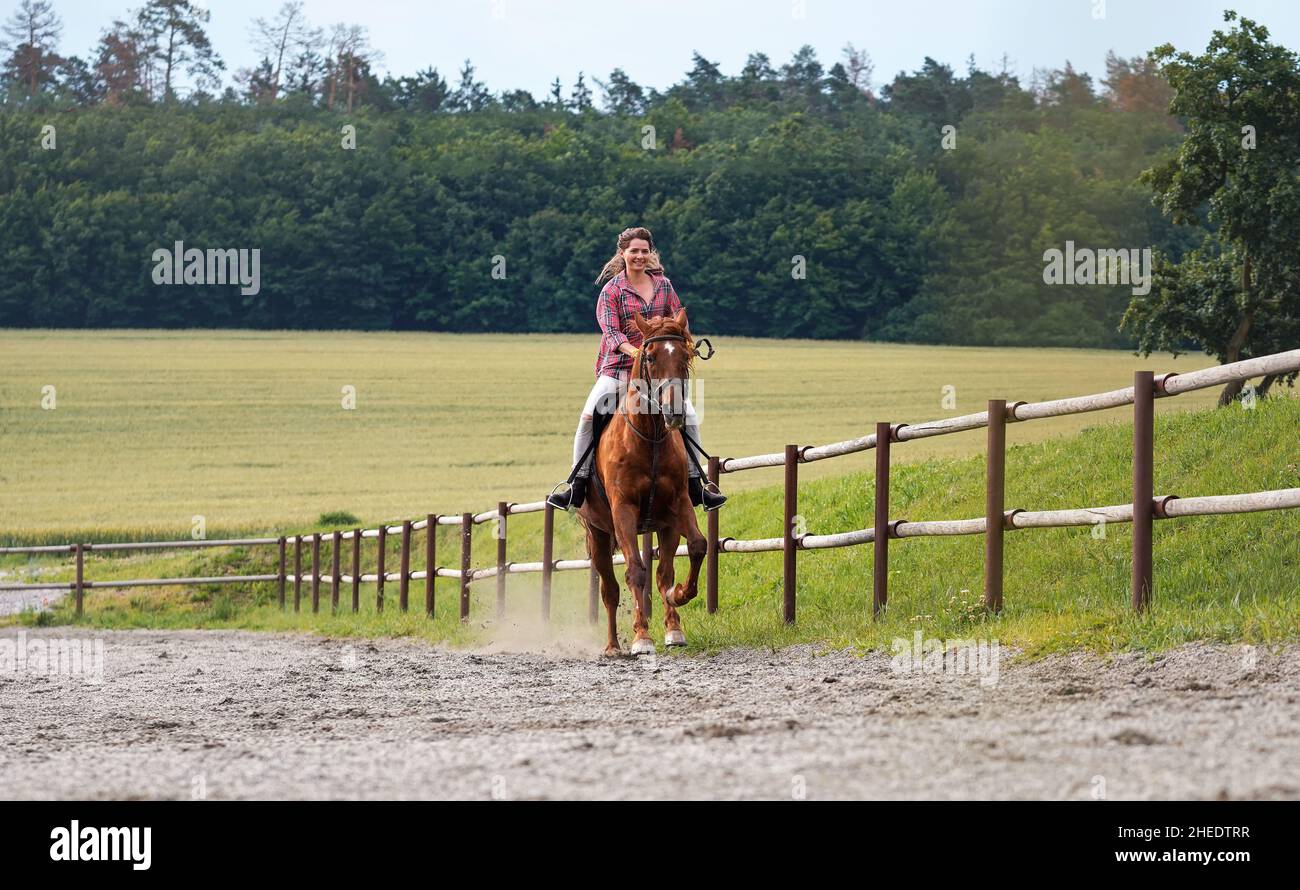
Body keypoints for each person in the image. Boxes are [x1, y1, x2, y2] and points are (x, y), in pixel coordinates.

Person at [546, 226, 726, 513]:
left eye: (644, 251)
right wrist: (637, 352)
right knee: (589, 416)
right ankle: (575, 485)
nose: (639, 256)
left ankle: (696, 485)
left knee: (689, 414)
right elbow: (612, 333)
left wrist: (684, 345)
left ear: (650, 254)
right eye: (634, 251)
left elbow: (680, 321)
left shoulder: (664, 285)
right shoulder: (611, 291)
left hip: (660, 373)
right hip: (618, 369)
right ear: (623, 254)